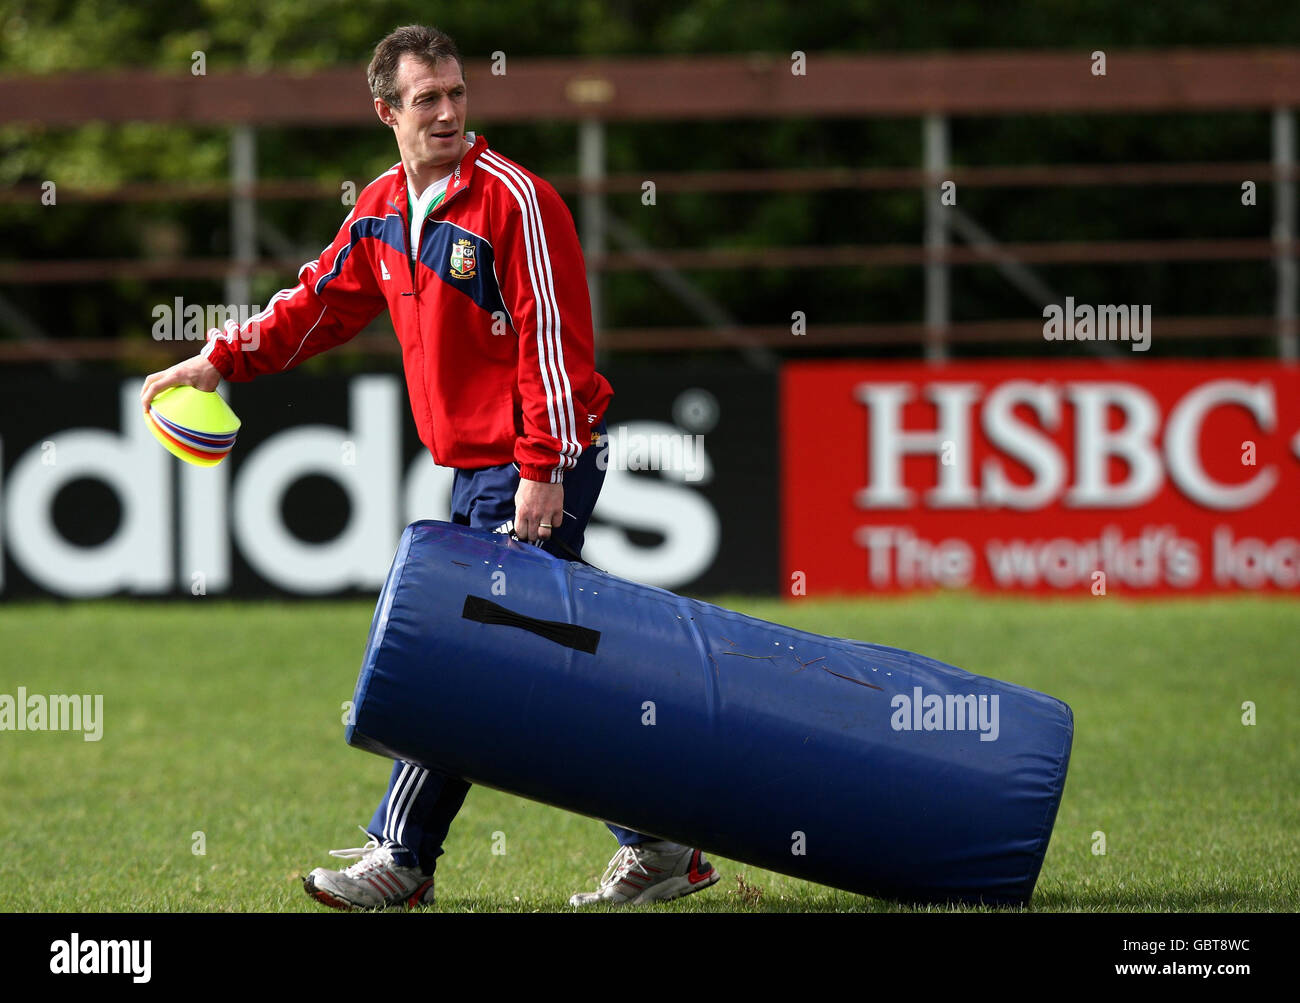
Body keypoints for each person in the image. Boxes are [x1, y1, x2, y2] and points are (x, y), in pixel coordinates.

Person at [139, 24, 719, 911]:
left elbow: (554, 343)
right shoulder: (378, 210)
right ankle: (660, 839)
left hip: (532, 462)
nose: (447, 112)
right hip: (478, 473)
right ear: (387, 112)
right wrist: (220, 358)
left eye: (456, 93)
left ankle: (400, 855)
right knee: (545, 667)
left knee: (464, 656)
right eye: (426, 99)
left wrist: (543, 466)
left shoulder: (517, 202)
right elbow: (317, 305)